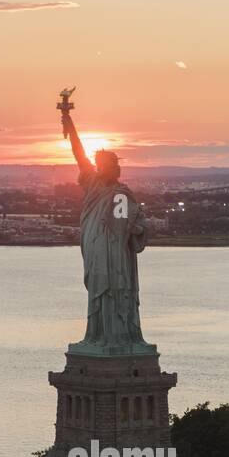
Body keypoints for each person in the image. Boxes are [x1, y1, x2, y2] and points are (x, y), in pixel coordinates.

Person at [61, 108, 149, 351]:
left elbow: (124, 227)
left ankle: (117, 336)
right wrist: (71, 125)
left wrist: (136, 228)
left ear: (114, 167)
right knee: (98, 290)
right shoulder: (92, 184)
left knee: (116, 288)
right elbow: (79, 156)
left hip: (115, 252)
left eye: (104, 165)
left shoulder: (121, 194)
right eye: (98, 164)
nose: (100, 169)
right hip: (96, 247)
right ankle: (97, 334)